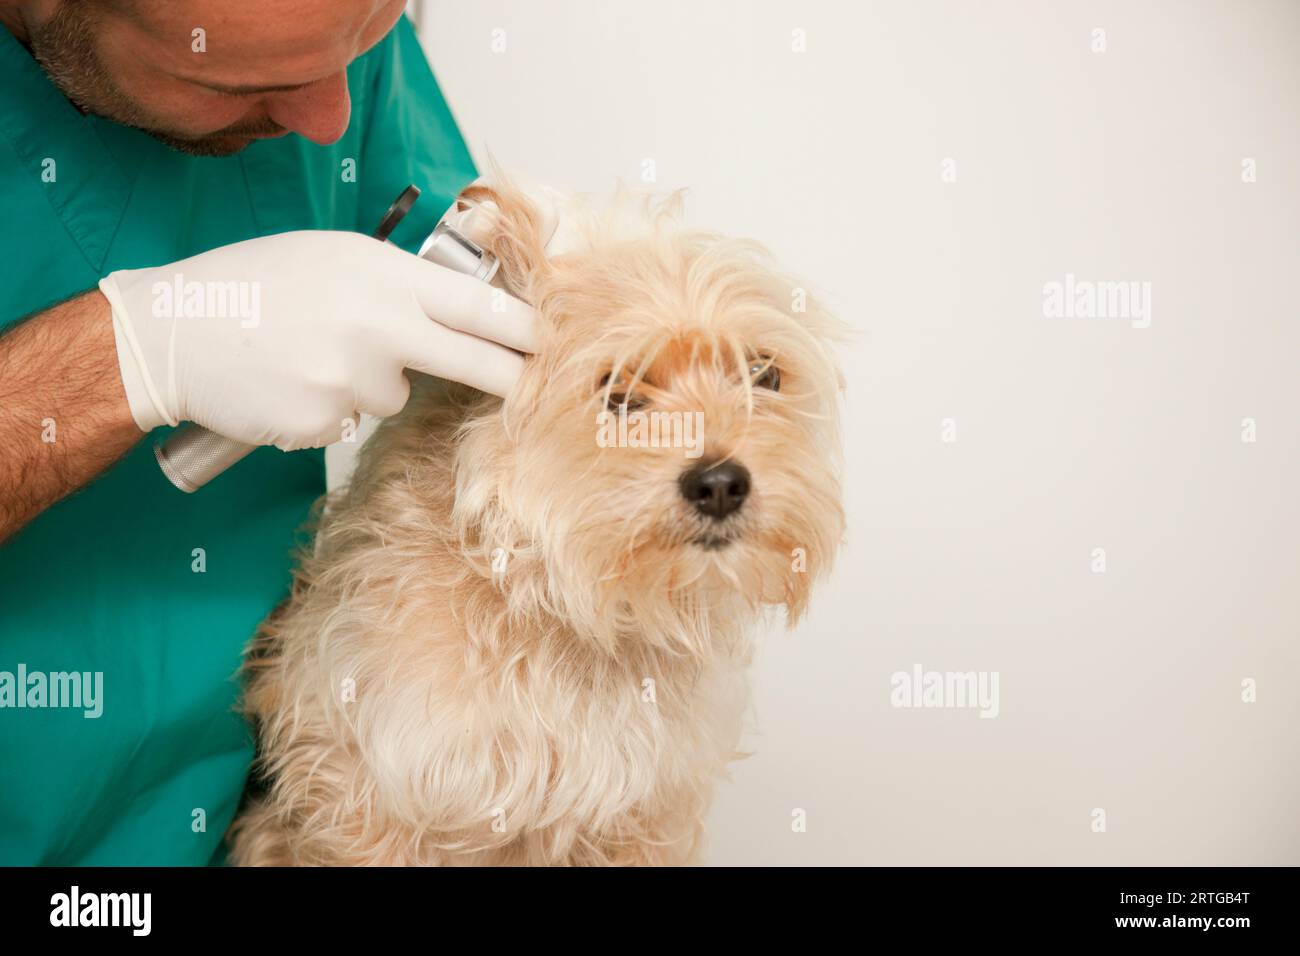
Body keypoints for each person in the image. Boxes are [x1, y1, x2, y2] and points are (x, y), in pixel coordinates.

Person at [0, 0, 535, 864]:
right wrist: (131, 356)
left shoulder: (318, 27)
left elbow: (451, 250)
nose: (331, 121)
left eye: (364, 42)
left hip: (249, 817)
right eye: (241, 82)